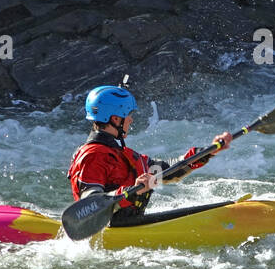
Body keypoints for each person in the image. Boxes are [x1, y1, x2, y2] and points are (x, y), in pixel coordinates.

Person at [67, 84, 232, 225]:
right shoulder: (93, 156)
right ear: (116, 119)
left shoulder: (120, 154)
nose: (131, 120)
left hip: (130, 224)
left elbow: (168, 170)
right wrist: (132, 191)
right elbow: (90, 205)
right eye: (128, 116)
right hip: (110, 230)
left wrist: (208, 152)